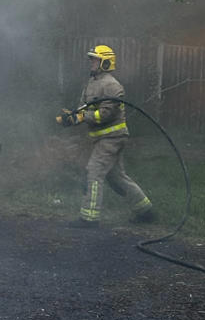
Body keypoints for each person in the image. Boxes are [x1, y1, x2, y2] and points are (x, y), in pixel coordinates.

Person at [56, 44, 155, 227]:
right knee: (117, 177)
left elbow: (104, 115)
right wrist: (71, 118)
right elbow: (84, 110)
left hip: (113, 138)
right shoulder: (91, 83)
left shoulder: (112, 86)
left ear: (106, 62)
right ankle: (146, 211)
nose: (91, 62)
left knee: (94, 172)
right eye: (91, 59)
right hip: (101, 138)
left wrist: (81, 116)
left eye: (95, 59)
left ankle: (89, 218)